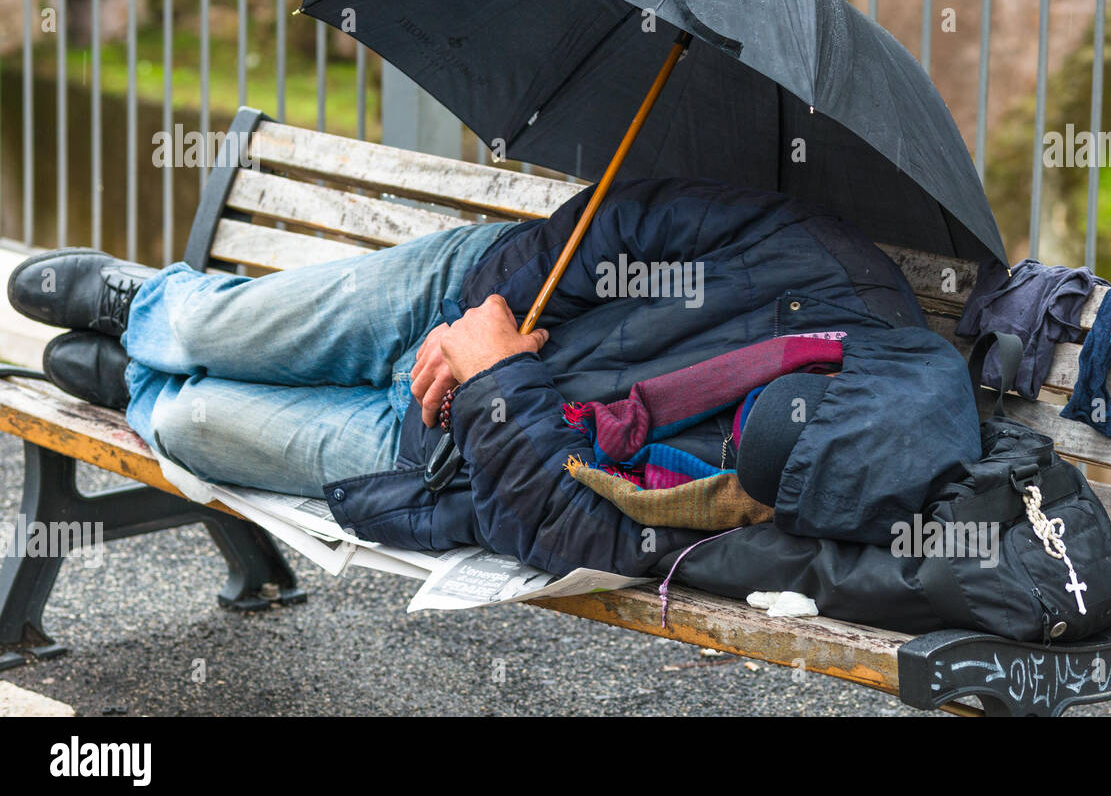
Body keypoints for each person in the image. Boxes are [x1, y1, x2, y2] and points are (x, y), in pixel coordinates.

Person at [7, 177, 980, 577]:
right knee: (223, 326)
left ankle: (141, 385)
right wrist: (500, 318)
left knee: (191, 425)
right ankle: (153, 314)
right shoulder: (818, 264)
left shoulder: (769, 514)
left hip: (457, 460)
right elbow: (624, 222)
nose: (738, 451)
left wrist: (497, 386)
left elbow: (566, 531)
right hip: (468, 300)